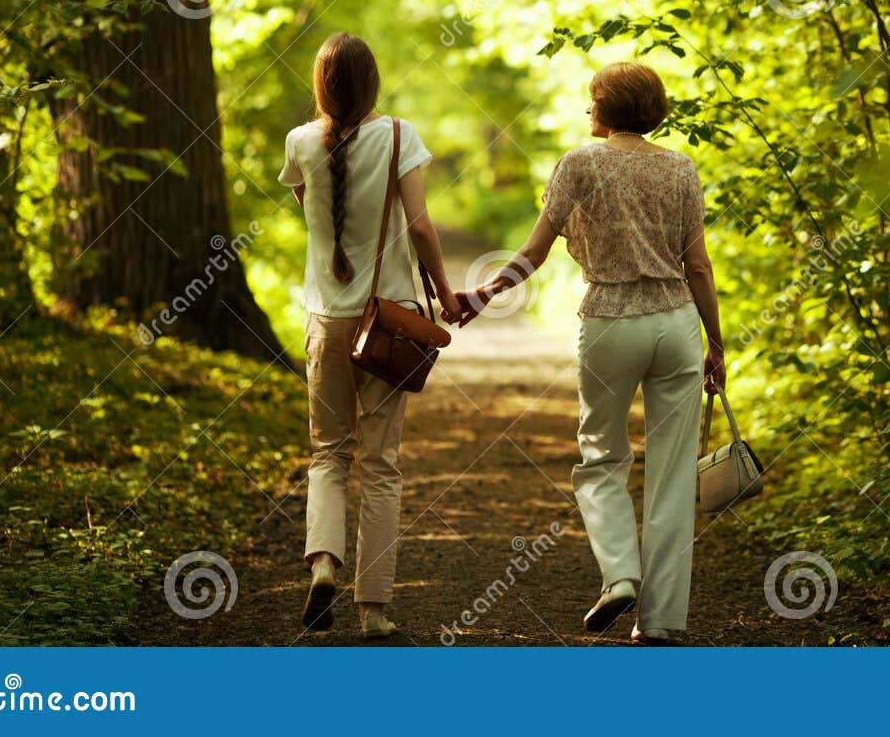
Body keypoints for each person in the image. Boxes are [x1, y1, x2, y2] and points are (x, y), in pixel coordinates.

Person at [457, 60, 725, 645]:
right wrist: (717, 343)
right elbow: (697, 265)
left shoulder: (579, 162)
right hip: (677, 324)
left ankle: (621, 576)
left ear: (605, 109)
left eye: (592, 101)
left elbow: (535, 251)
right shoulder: (680, 168)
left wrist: (484, 292)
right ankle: (661, 621)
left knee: (603, 457)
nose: (588, 111)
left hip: (609, 321)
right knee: (673, 472)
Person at [278, 32, 462, 639]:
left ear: (321, 85)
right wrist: (444, 291)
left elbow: (311, 208)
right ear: (373, 82)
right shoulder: (400, 136)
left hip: (325, 321)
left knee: (328, 454)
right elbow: (421, 227)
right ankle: (374, 609)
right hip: (387, 324)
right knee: (382, 464)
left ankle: (324, 564)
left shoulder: (300, 142)